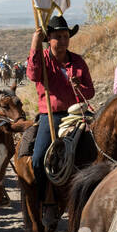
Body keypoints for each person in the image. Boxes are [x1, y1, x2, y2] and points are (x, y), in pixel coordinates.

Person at [25, 14, 94, 207]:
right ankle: (43, 201)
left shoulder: (78, 61)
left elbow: (90, 92)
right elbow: (32, 74)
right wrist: (35, 45)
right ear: (49, 40)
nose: (63, 41)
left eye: (66, 36)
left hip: (78, 113)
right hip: (52, 115)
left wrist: (79, 87)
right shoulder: (42, 59)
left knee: (98, 148)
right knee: (38, 159)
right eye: (58, 37)